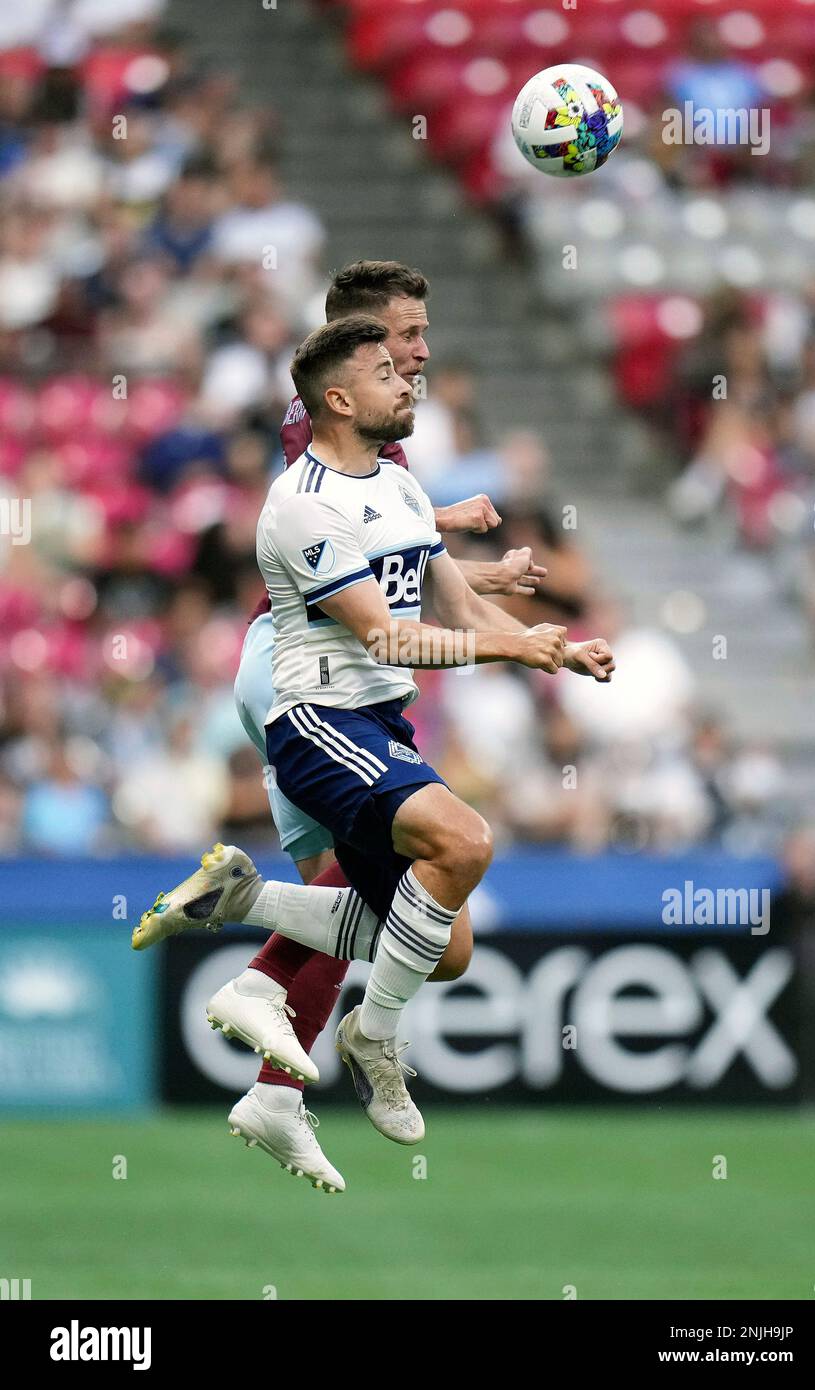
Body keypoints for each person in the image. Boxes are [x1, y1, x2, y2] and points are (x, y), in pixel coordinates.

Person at [132, 316, 615, 1187]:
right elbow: (388, 640)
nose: (411, 378)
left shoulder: (397, 489)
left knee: (444, 944)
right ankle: (370, 1034)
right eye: (390, 366)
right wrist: (512, 649)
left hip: (377, 725)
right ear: (339, 397)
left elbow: (458, 610)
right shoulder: (302, 503)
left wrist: (557, 646)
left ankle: (243, 902)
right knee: (464, 841)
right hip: (314, 717)